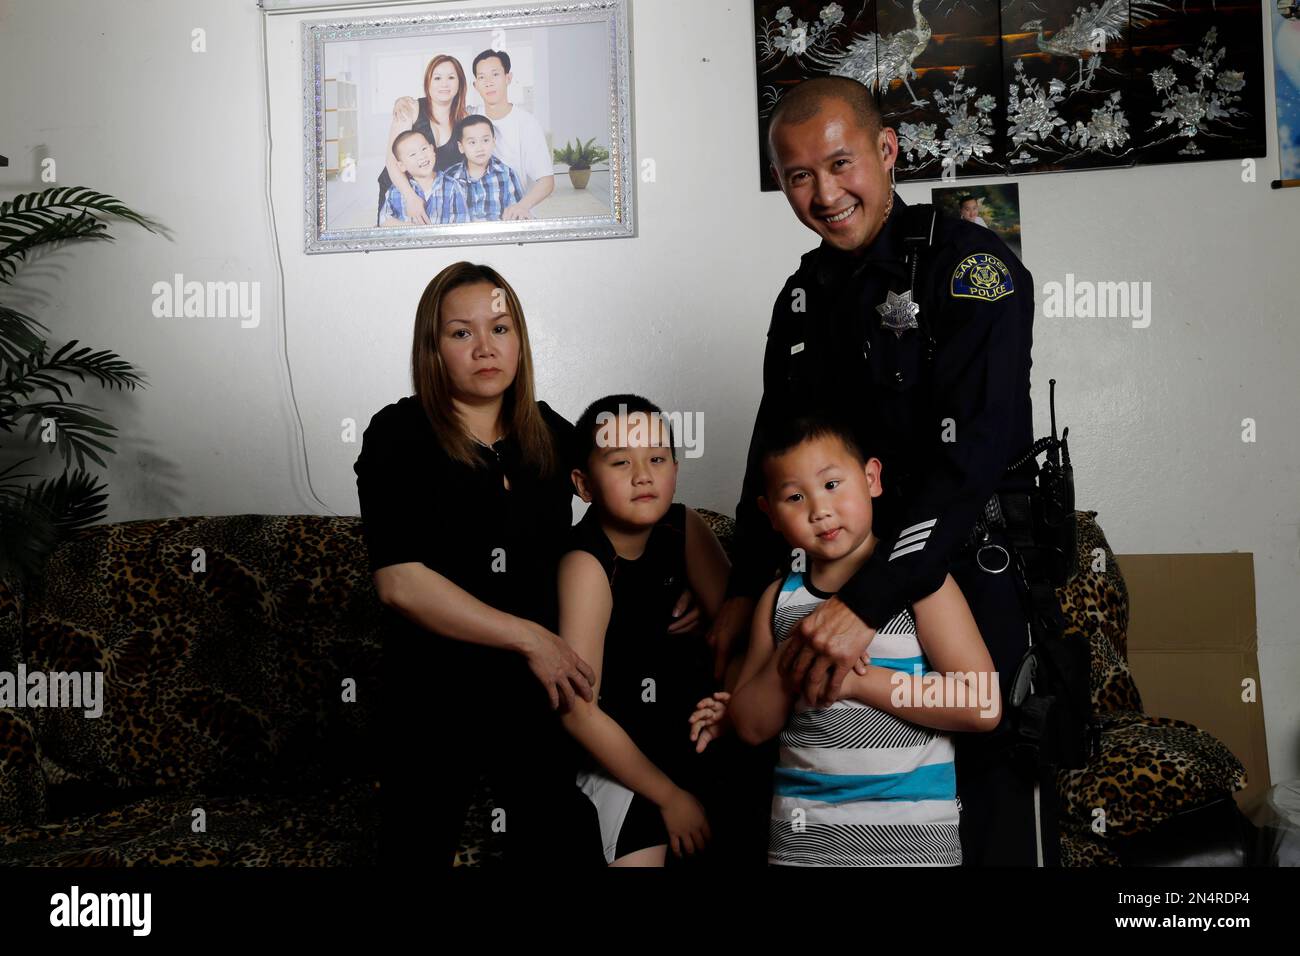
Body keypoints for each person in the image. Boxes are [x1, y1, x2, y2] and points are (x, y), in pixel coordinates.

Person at [707, 76, 1088, 867]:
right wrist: (742, 589)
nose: (824, 194)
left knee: (991, 813)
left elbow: (973, 459)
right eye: (799, 176)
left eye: (840, 164)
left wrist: (867, 601)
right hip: (838, 574)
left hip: (964, 571)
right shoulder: (803, 296)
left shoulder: (970, 267)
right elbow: (774, 448)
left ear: (887, 151)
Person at [713, 414, 999, 866]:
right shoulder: (778, 599)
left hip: (913, 848)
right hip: (804, 847)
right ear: (770, 513)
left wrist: (858, 682)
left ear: (871, 479)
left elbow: (982, 704)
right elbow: (750, 726)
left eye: (832, 485)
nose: (819, 510)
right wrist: (801, 646)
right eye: (795, 496)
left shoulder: (921, 586)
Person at [555, 395, 734, 866]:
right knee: (643, 842)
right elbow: (578, 712)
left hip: (692, 737)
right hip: (619, 759)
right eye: (620, 462)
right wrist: (669, 797)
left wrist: (712, 616)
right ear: (584, 484)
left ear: (675, 467)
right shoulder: (585, 564)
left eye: (657, 459)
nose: (643, 475)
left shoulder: (684, 527)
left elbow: (738, 629)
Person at [377, 54, 472, 225]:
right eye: (437, 78)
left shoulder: (465, 118)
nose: (444, 84)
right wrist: (410, 197)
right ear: (428, 82)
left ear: (460, 83)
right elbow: (392, 161)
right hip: (401, 193)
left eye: (451, 77)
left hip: (437, 197)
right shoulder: (410, 108)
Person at [470, 49, 555, 219]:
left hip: (514, 214)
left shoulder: (526, 123)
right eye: (482, 77)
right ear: (475, 85)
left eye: (495, 74)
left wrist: (521, 206)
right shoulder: (470, 117)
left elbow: (547, 181)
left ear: (508, 78)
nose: (488, 83)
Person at [442, 115, 525, 222]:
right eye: (472, 142)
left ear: (493, 142)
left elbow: (518, 215)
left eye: (485, 140)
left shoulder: (506, 174)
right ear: (461, 147)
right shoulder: (449, 177)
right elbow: (442, 219)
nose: (480, 148)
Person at [381, 130, 469, 225]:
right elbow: (384, 220)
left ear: (432, 149)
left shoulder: (452, 186)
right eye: (412, 154)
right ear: (402, 166)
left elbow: (461, 223)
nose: (421, 156)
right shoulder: (395, 191)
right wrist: (411, 229)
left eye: (424, 149)